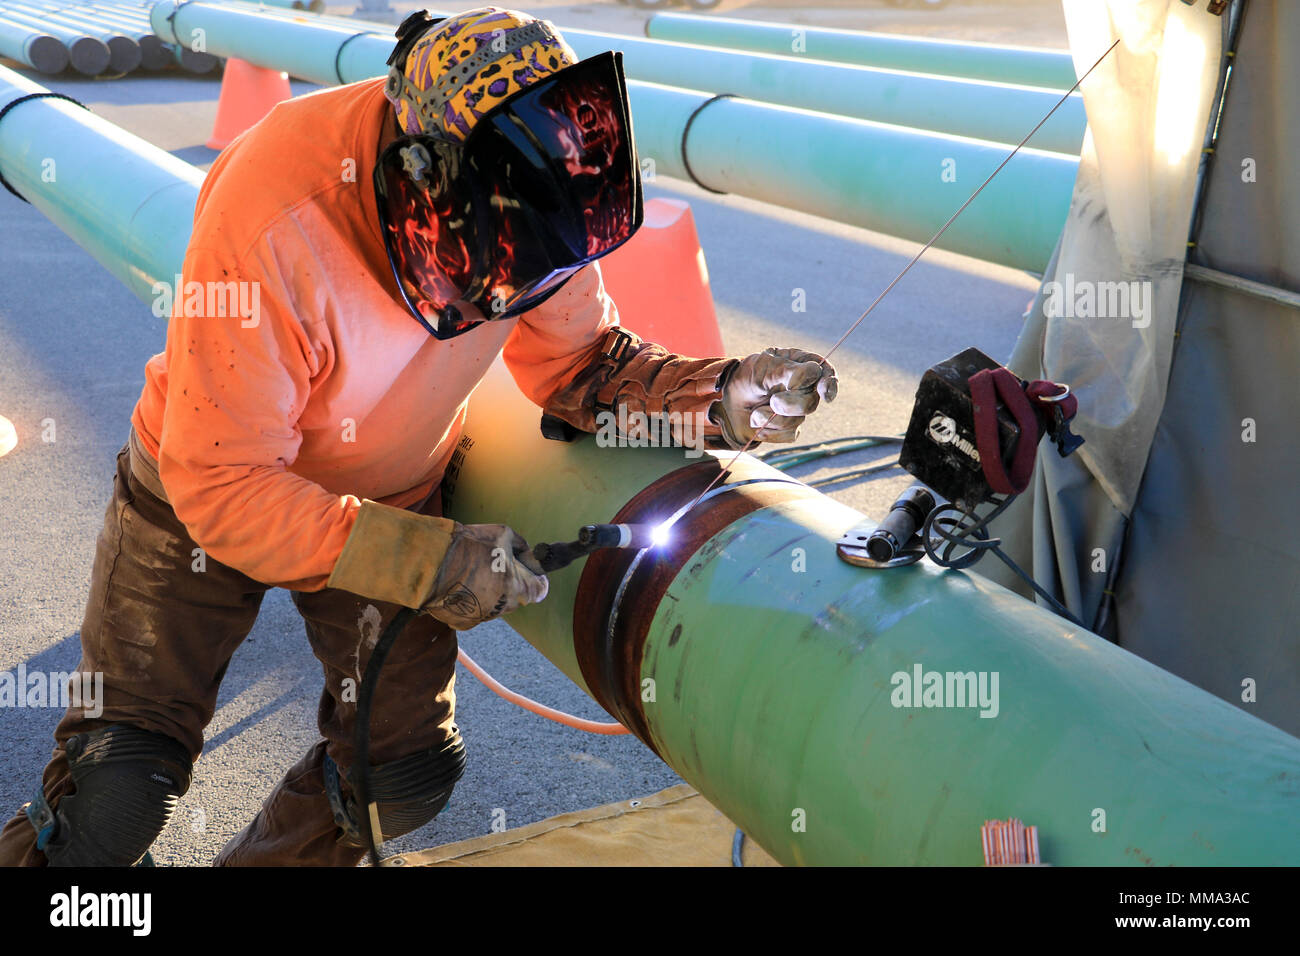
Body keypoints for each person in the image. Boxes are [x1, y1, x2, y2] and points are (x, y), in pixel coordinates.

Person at [0, 5, 835, 867]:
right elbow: (225, 484)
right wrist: (431, 561)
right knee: (116, 794)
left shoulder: (537, 189)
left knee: (399, 775)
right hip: (203, 488)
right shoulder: (277, 213)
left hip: (386, 490)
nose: (510, 295)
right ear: (417, 180)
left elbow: (578, 365)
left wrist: (721, 393)